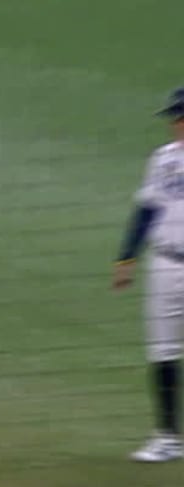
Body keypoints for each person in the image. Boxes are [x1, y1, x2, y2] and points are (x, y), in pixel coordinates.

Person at [112, 86, 184, 463]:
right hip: (165, 264)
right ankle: (168, 437)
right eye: (175, 118)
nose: (175, 125)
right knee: (163, 351)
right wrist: (126, 258)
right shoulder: (164, 160)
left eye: (179, 117)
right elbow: (146, 210)